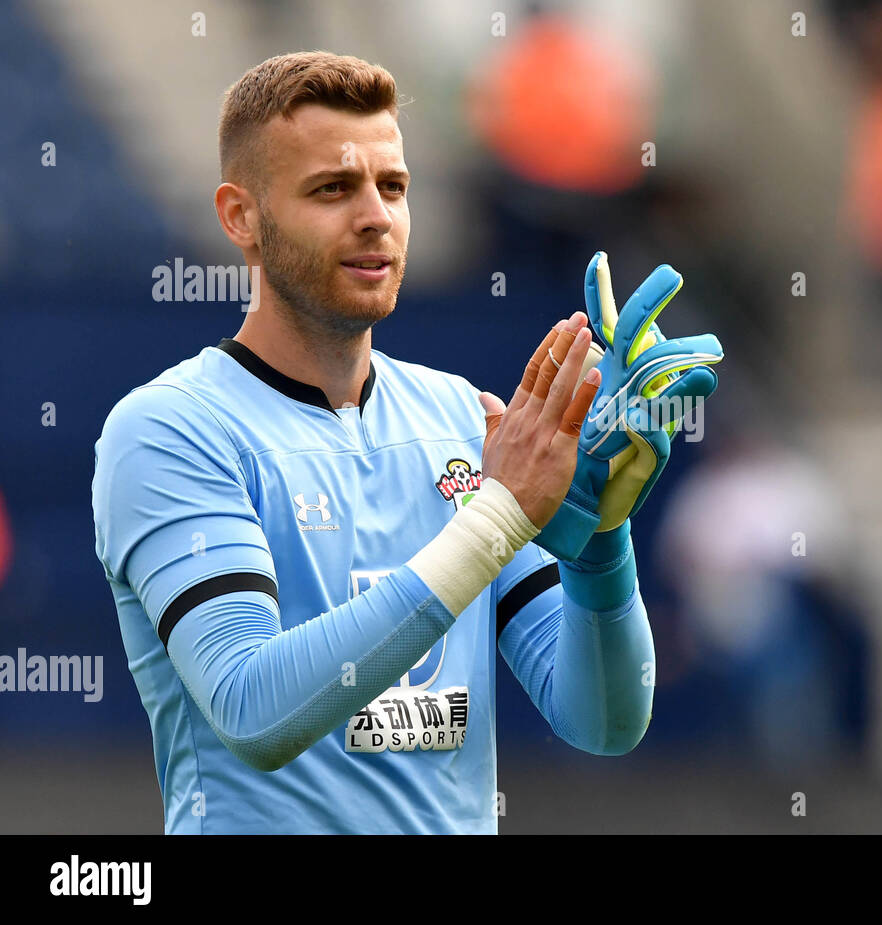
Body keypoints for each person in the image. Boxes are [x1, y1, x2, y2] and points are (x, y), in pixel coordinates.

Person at [90, 52, 658, 834]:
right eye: (332, 188)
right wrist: (496, 518)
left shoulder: (460, 417)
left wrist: (600, 546)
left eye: (393, 186)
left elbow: (601, 722)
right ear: (241, 217)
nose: (376, 216)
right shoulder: (169, 430)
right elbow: (254, 710)